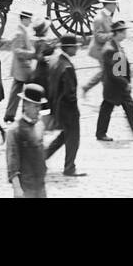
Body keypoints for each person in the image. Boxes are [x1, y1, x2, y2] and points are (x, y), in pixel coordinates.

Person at [95, 21, 133, 142]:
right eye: (123, 32)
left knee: (129, 106)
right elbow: (113, 72)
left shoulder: (116, 45)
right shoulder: (110, 49)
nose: (125, 34)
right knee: (106, 109)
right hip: (114, 85)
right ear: (117, 33)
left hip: (119, 85)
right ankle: (101, 134)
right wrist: (125, 83)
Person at [44, 33, 84, 177]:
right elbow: (70, 94)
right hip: (69, 110)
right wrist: (75, 111)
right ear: (68, 48)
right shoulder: (67, 67)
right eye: (75, 47)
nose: (77, 50)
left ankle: (41, 158)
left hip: (59, 108)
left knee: (63, 137)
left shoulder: (56, 62)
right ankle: (69, 167)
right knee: (73, 139)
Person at [4, 82, 49, 198]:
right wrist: (17, 189)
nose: (38, 109)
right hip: (25, 189)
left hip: (40, 186)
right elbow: (12, 164)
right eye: (35, 106)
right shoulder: (14, 131)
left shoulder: (40, 125)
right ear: (25, 105)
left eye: (39, 106)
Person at [81, 0, 119, 98]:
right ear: (109, 5)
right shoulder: (99, 18)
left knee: (106, 72)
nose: (116, 7)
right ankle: (109, 94)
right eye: (114, 4)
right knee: (107, 72)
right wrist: (112, 35)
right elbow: (98, 36)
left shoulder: (107, 16)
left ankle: (88, 88)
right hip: (99, 50)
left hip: (104, 49)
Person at [3, 10, 36, 123]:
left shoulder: (22, 31)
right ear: (23, 19)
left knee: (17, 92)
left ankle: (11, 115)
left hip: (22, 67)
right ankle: (12, 115)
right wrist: (32, 54)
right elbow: (17, 51)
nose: (30, 22)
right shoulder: (19, 33)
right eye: (29, 19)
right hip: (22, 68)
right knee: (21, 93)